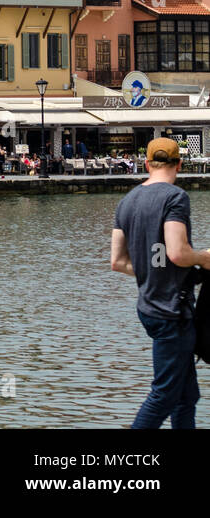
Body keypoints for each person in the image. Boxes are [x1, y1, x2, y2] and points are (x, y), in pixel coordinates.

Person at [111, 138, 210, 429]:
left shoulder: (127, 200)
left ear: (146, 164)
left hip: (150, 306)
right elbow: (178, 253)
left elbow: (117, 262)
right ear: (179, 164)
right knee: (165, 394)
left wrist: (152, 273)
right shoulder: (175, 197)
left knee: (185, 395)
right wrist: (205, 258)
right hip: (172, 311)